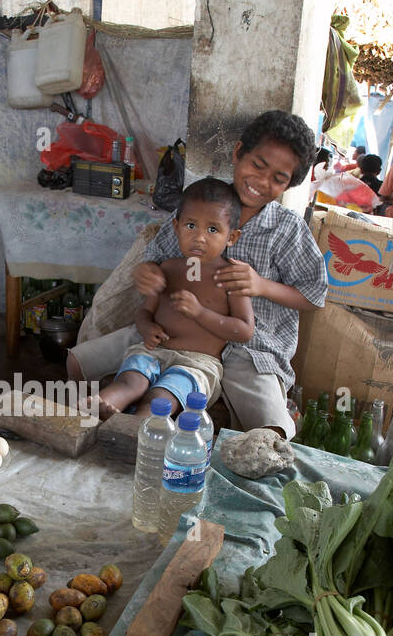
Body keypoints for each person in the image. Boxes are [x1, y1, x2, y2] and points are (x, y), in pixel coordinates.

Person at [67, 109, 326, 439]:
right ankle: (85, 426)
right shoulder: (197, 205)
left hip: (250, 352)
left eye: (278, 178)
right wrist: (148, 274)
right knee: (79, 360)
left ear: (290, 184)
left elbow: (315, 295)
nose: (262, 181)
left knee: (272, 431)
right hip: (170, 333)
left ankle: (140, 432)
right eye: (258, 165)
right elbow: (156, 259)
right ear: (238, 153)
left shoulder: (287, 229)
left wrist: (262, 286)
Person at [92, 179, 253, 419]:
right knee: (131, 381)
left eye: (212, 229)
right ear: (176, 227)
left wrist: (200, 312)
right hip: (154, 352)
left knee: (161, 397)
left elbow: (244, 330)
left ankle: (139, 428)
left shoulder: (231, 278)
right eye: (190, 225)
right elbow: (145, 312)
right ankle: (101, 405)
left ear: (232, 237)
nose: (199, 237)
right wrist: (147, 328)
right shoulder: (167, 268)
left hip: (197, 365)